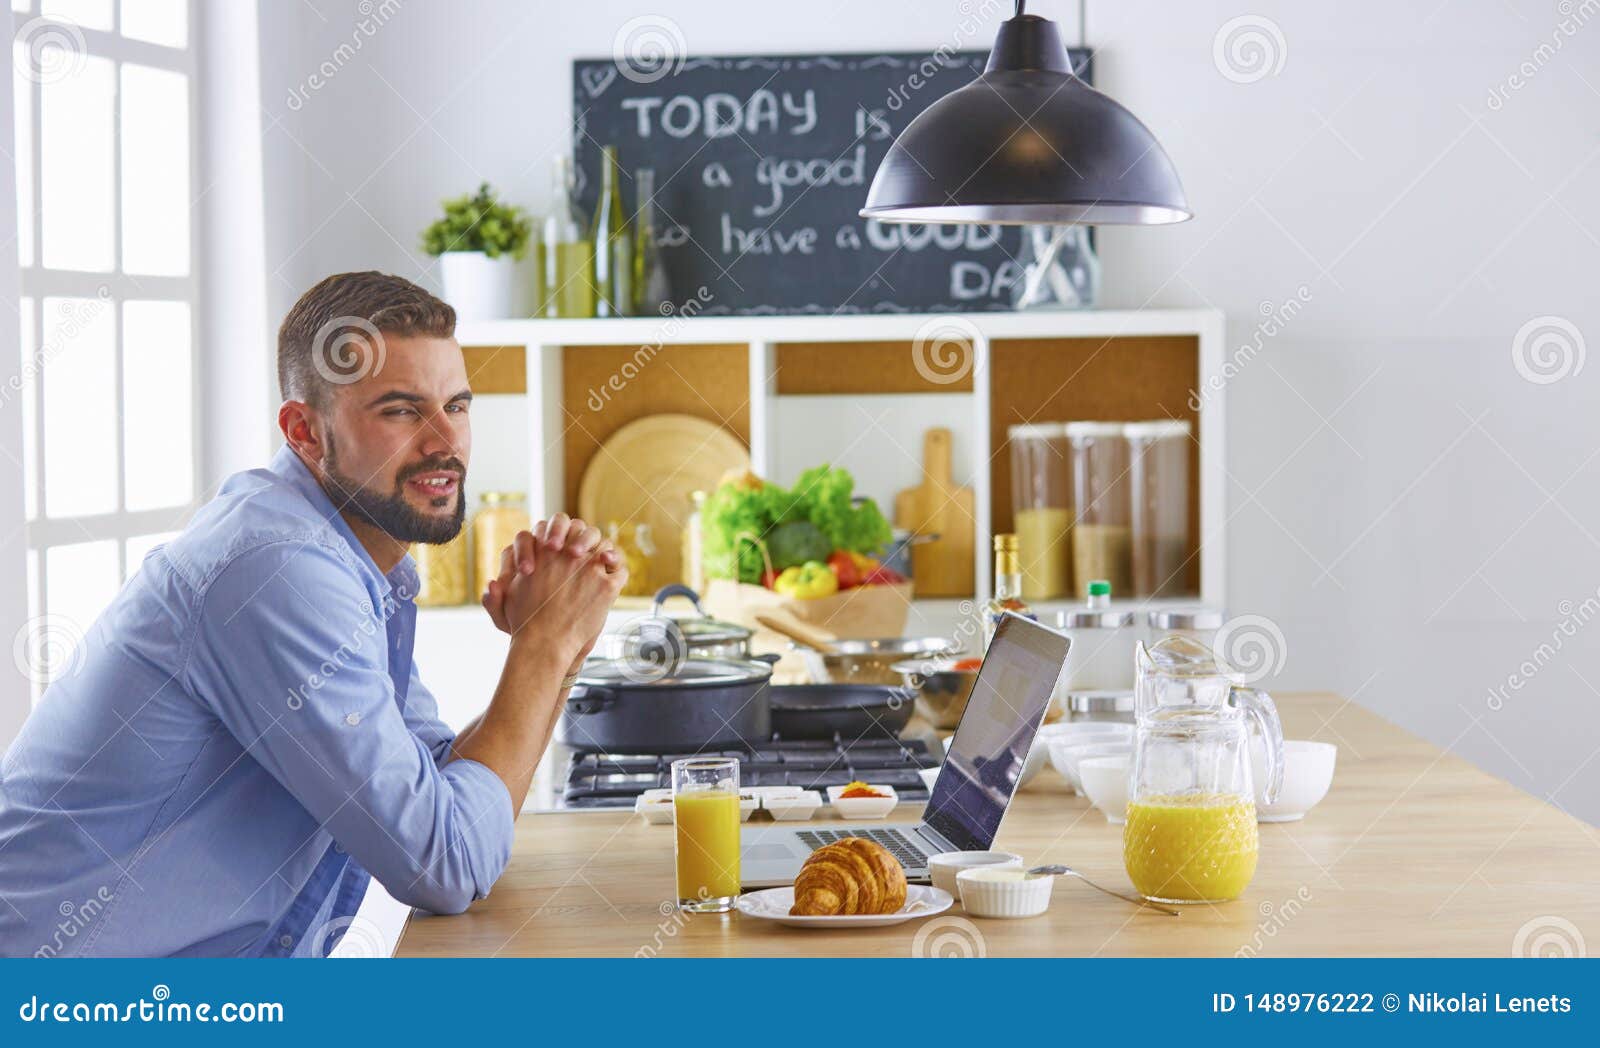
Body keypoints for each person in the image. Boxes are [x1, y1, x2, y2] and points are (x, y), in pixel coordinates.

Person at [0, 272, 626, 957]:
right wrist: (541, 647)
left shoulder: (356, 564)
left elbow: (441, 791)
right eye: (401, 411)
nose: (445, 441)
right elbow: (445, 863)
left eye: (457, 405)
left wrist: (560, 643)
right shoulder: (278, 571)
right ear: (305, 431)